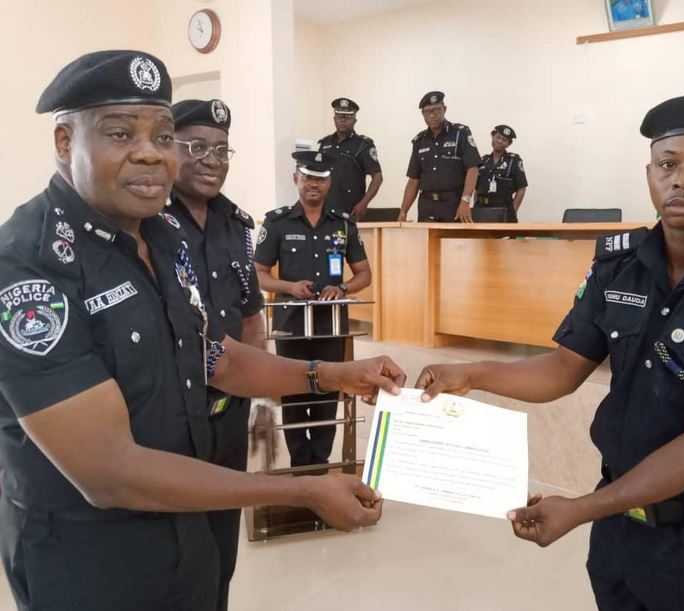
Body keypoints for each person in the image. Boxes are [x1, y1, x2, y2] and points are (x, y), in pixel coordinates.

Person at [0, 50, 404, 611]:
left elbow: (217, 357)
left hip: (189, 522)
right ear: (65, 142)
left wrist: (332, 373)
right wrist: (304, 489)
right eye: (120, 133)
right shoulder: (28, 267)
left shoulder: (161, 238)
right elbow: (109, 472)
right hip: (91, 555)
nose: (149, 152)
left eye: (163, 135)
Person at [414, 94, 684, 610]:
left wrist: (582, 509)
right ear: (649, 174)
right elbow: (562, 369)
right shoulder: (618, 265)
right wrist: (470, 375)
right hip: (619, 526)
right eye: (668, 165)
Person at [168, 98, 264, 611]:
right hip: (173, 419)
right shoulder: (149, 222)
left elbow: (250, 317)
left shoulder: (237, 225)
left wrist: (260, 396)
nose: (212, 160)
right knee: (179, 556)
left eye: (222, 149)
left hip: (230, 413)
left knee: (222, 550)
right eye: (197, 146)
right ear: (168, 147)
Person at [253, 150, 371, 469]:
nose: (313, 184)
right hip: (291, 325)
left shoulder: (343, 224)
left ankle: (319, 465)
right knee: (293, 394)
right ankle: (299, 467)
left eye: (320, 179)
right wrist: (289, 287)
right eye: (307, 178)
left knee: (327, 395)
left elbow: (364, 274)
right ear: (296, 178)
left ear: (329, 182)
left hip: (330, 327)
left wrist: (342, 288)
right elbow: (258, 273)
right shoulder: (277, 222)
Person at [398, 91, 481, 223]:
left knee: (455, 237)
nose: (431, 115)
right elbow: (413, 180)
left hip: (454, 204)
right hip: (427, 205)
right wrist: (403, 211)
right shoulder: (419, 141)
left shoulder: (460, 133)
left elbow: (473, 169)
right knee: (427, 237)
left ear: (444, 109)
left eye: (435, 110)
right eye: (426, 112)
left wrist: (465, 201)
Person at [317, 97, 383, 221]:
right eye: (340, 116)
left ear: (354, 120)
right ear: (334, 119)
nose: (343, 120)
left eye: (347, 117)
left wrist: (363, 203)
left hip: (351, 210)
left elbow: (377, 177)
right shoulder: (325, 143)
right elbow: (319, 175)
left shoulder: (363, 145)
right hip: (326, 210)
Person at [474, 124, 528, 222]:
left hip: (503, 210)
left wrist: (513, 211)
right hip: (481, 210)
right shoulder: (483, 160)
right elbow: (477, 189)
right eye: (498, 137)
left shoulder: (513, 160)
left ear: (508, 144)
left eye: (504, 140)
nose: (499, 141)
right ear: (492, 137)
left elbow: (522, 187)